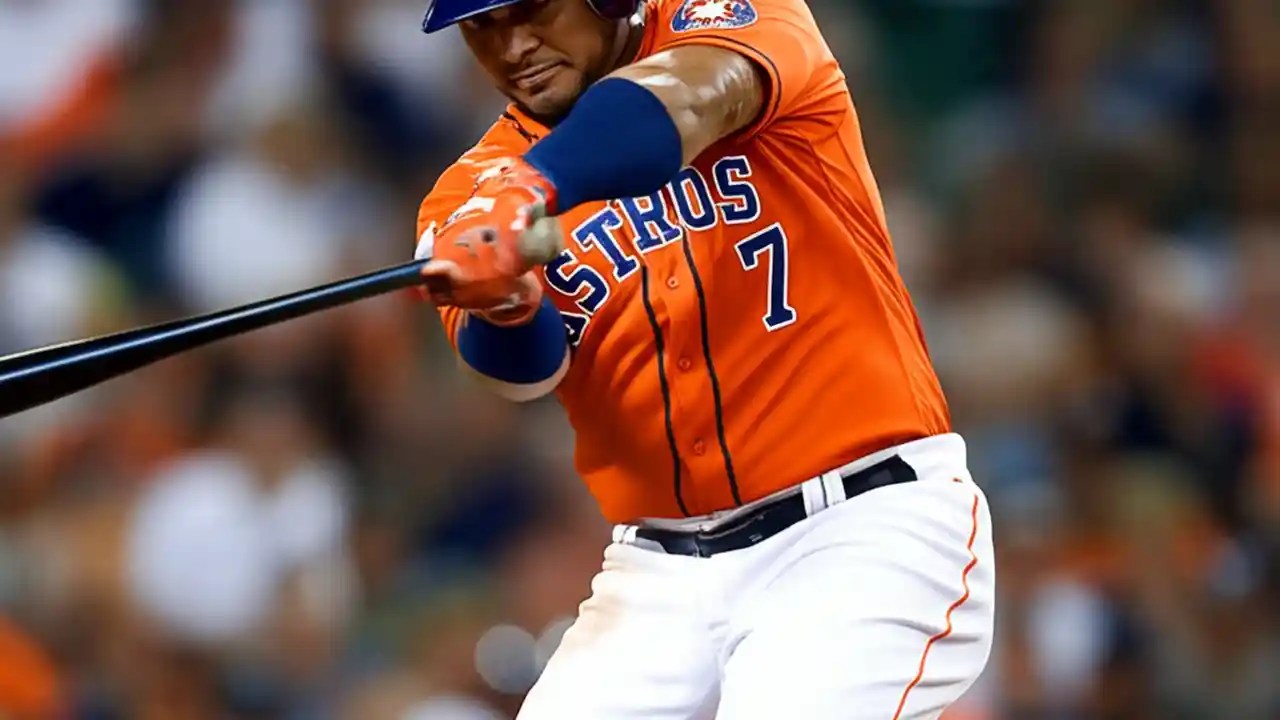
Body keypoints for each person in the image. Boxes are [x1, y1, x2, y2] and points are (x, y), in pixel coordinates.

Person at [413, 0, 995, 717]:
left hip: (860, 526)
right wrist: (504, 301)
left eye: (533, 8)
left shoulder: (734, 17)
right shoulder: (463, 196)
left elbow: (687, 98)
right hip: (658, 575)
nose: (514, 44)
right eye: (482, 25)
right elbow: (523, 375)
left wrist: (531, 186)